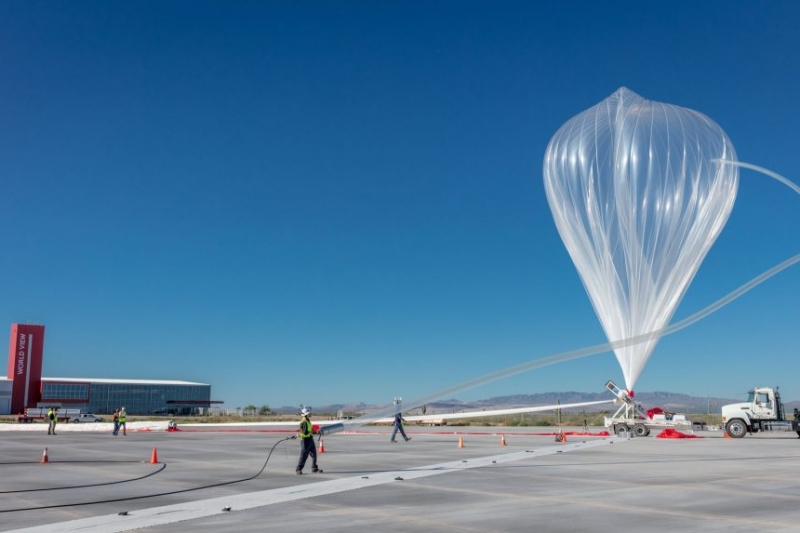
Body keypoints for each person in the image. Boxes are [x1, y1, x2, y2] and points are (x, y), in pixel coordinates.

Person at [295, 407, 321, 475]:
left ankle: (314, 468)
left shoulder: (308, 420)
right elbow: (304, 432)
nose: (311, 413)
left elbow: (310, 430)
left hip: (310, 439)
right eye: (309, 412)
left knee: (314, 454)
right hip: (305, 441)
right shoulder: (304, 422)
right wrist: (314, 432)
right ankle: (299, 469)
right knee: (304, 455)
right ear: (306, 414)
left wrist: (315, 431)